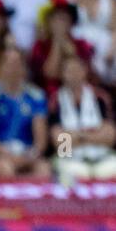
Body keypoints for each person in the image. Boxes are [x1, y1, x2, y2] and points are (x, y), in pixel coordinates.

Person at [0, 46, 51, 179]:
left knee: (45, 169)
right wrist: (10, 156)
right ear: (1, 67)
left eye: (17, 64)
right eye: (9, 63)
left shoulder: (37, 96)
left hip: (30, 152)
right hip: (2, 153)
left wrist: (29, 156)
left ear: (24, 68)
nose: (13, 68)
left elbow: (43, 139)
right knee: (5, 169)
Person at [49, 53, 116, 183]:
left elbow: (110, 137)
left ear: (84, 71)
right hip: (70, 160)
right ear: (62, 74)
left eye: (77, 69)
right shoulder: (56, 99)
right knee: (67, 172)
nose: (73, 74)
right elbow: (61, 144)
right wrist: (93, 134)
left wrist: (76, 136)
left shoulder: (100, 97)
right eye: (69, 70)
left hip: (101, 157)